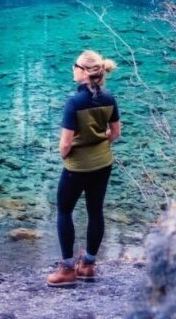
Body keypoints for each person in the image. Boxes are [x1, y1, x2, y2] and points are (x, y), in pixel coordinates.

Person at [47, 48, 121, 287]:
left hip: (77, 167)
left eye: (75, 66)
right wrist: (98, 143)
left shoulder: (73, 103)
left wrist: (67, 154)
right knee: (95, 211)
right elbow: (116, 133)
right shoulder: (109, 98)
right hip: (103, 163)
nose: (73, 68)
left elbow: (65, 144)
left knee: (64, 211)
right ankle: (88, 265)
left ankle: (67, 270)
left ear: (84, 73)